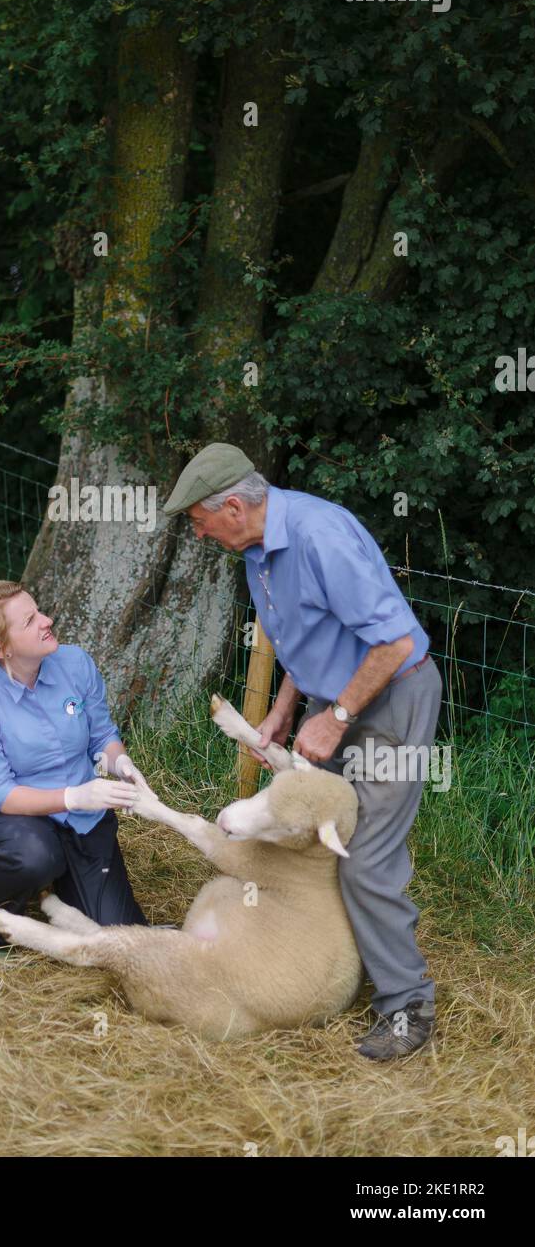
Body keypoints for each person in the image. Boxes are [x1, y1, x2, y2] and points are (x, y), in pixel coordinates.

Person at [163, 442, 442, 1062]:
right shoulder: (256, 551)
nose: (200, 533)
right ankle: (329, 961)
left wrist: (337, 718)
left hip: (391, 698)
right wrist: (290, 707)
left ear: (233, 506)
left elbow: (394, 643)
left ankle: (407, 1004)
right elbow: (301, 634)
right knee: (304, 836)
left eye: (200, 521)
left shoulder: (321, 537)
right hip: (333, 699)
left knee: (364, 854)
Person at [0, 580, 150, 949]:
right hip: (13, 819)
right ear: (1, 648)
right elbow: (0, 791)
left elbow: (101, 735)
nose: (47, 620)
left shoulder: (75, 663)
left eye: (38, 610)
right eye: (29, 621)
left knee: (121, 938)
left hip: (86, 818)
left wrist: (121, 763)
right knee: (34, 855)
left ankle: (59, 883)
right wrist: (74, 796)